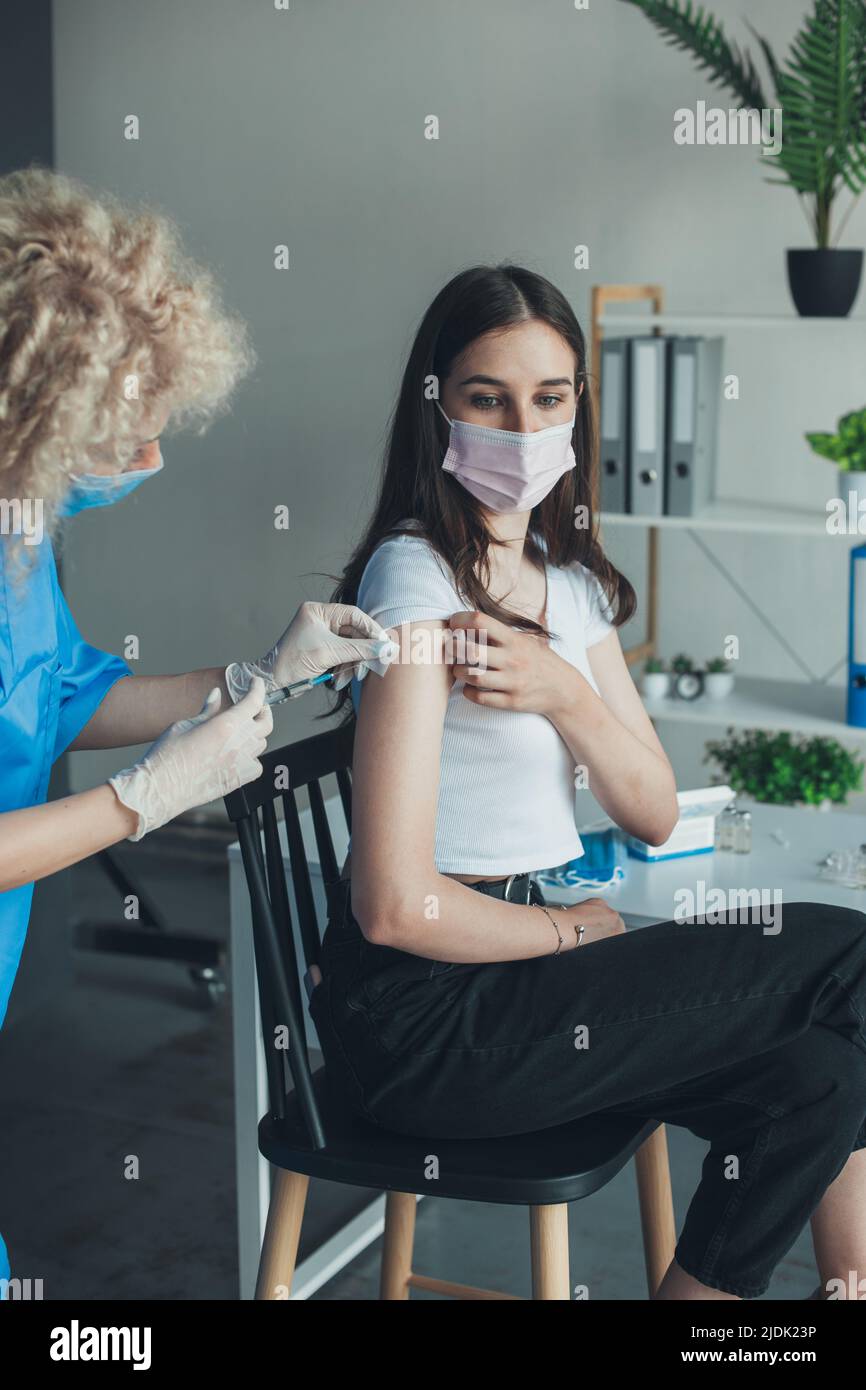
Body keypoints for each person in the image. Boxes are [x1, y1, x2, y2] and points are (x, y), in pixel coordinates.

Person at [310, 264, 866, 1301]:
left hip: (526, 986)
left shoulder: (566, 584)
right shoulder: (416, 581)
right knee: (852, 954)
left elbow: (652, 811)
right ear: (436, 409)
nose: (522, 428)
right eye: (487, 398)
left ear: (577, 407)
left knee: (821, 1078)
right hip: (427, 1026)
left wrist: (565, 694)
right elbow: (389, 904)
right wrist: (570, 933)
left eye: (548, 398)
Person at [0, 167, 388, 1289]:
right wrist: (144, 801)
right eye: (130, 440)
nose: (154, 463)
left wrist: (252, 676)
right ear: (41, 410)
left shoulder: (18, 539)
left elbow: (64, 691)